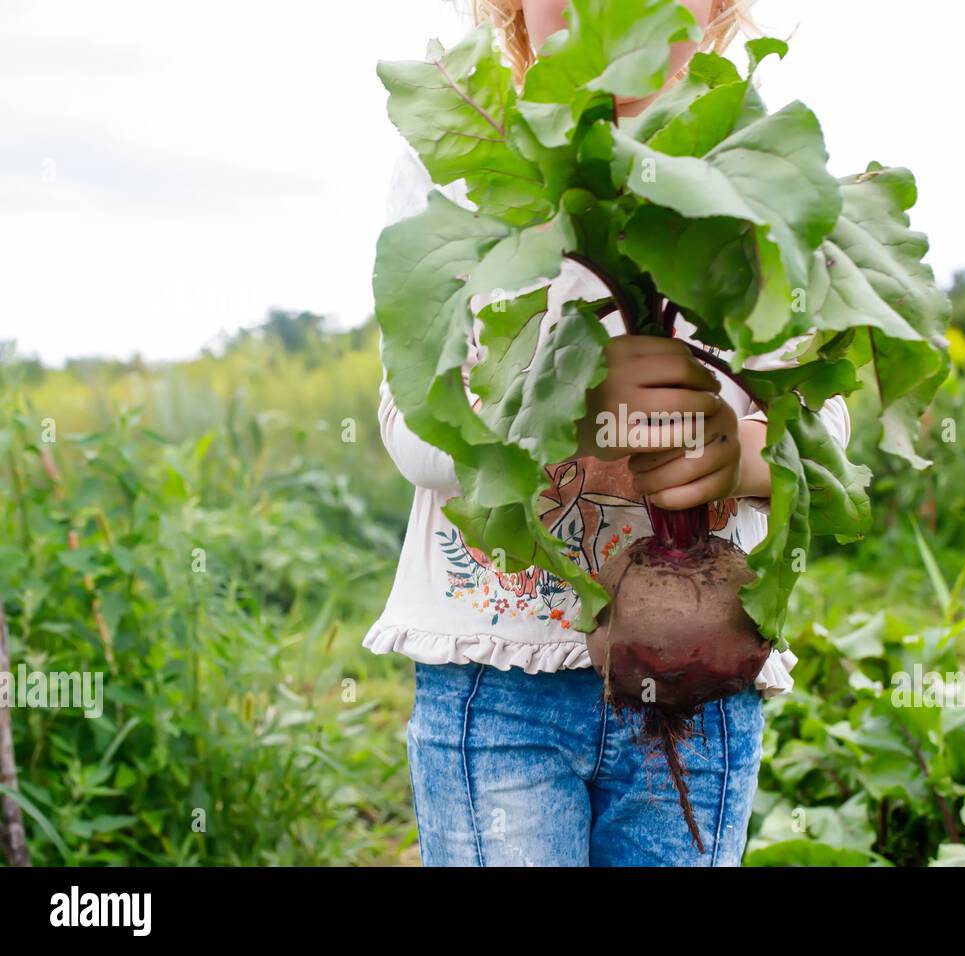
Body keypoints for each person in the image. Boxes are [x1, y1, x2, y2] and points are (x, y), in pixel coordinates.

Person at [365, 0, 852, 866]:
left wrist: (731, 452)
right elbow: (412, 427)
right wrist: (574, 408)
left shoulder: (762, 158)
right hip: (498, 676)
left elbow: (832, 436)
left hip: (699, 674)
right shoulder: (462, 157)